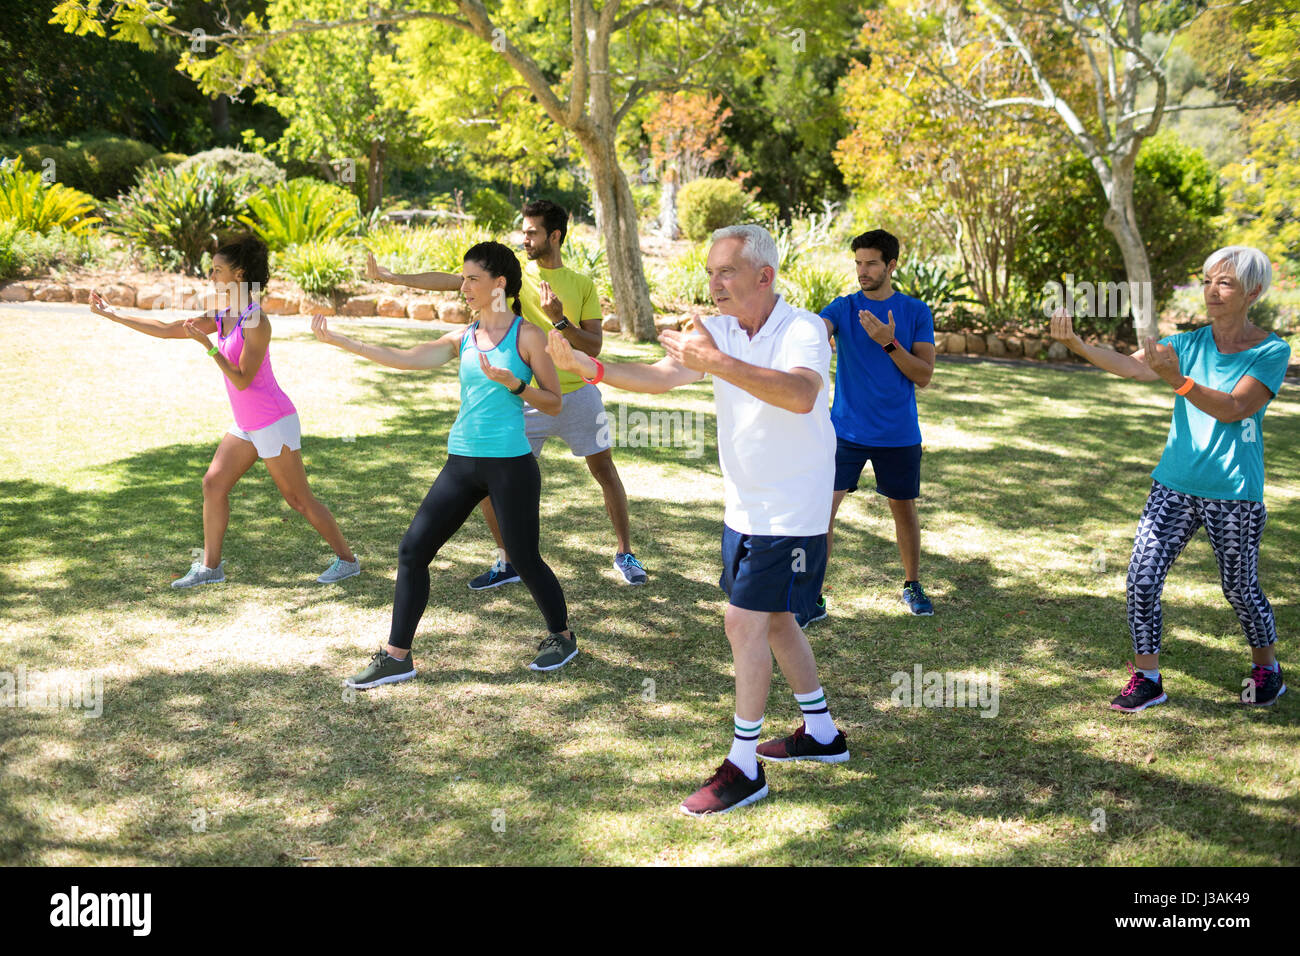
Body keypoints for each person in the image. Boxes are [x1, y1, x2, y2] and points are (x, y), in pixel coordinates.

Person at [547, 224, 848, 816]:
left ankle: (744, 766)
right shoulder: (725, 331)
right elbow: (663, 377)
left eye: (726, 272)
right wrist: (590, 367)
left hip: (792, 508)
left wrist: (715, 359)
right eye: (710, 272)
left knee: (743, 623)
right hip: (746, 504)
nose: (713, 284)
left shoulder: (803, 329)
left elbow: (801, 395)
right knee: (778, 620)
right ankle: (821, 734)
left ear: (764, 276)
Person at [313, 241, 578, 684]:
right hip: (462, 461)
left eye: (473, 279)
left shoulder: (528, 336)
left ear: (500, 283)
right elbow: (404, 359)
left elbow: (553, 403)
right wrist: (342, 340)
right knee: (413, 551)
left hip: (510, 463)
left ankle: (562, 635)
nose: (464, 287)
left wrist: (516, 385)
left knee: (525, 558)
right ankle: (398, 656)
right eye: (463, 278)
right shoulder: (466, 336)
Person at [1049, 245, 1290, 709]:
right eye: (1206, 281)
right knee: (1142, 576)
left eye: (1225, 283)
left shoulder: (1271, 350)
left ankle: (1268, 669)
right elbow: (1132, 366)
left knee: (1239, 588)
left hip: (1234, 493)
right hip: (1174, 486)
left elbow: (1235, 407)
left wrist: (1178, 381)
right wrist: (1078, 345)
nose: (1212, 292)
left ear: (1253, 292)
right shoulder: (1190, 342)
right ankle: (1148, 678)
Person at [366, 199, 647, 588]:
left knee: (604, 471)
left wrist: (559, 319)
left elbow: (593, 347)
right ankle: (508, 559)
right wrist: (393, 278)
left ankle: (625, 551)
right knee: (487, 480)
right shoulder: (509, 274)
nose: (524, 238)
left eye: (532, 232)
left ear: (555, 235)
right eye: (523, 231)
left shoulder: (581, 284)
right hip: (522, 398)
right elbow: (450, 280)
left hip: (576, 395)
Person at [88, 234, 359, 588]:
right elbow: (170, 330)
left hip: (272, 421)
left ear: (239, 274)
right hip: (247, 423)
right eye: (211, 270)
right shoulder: (223, 312)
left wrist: (208, 348)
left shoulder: (256, 321)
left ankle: (347, 560)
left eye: (218, 270)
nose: (212, 277)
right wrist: (113, 315)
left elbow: (244, 380)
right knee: (214, 483)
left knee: (298, 500)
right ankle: (211, 568)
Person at [801, 229, 937, 627]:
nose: (863, 270)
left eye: (871, 263)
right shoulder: (844, 307)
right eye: (858, 262)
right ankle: (812, 595)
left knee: (903, 510)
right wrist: (814, 339)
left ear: (891, 265)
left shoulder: (915, 311)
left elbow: (924, 375)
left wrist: (889, 342)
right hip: (844, 432)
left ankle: (912, 583)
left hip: (898, 434)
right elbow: (818, 329)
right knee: (820, 512)